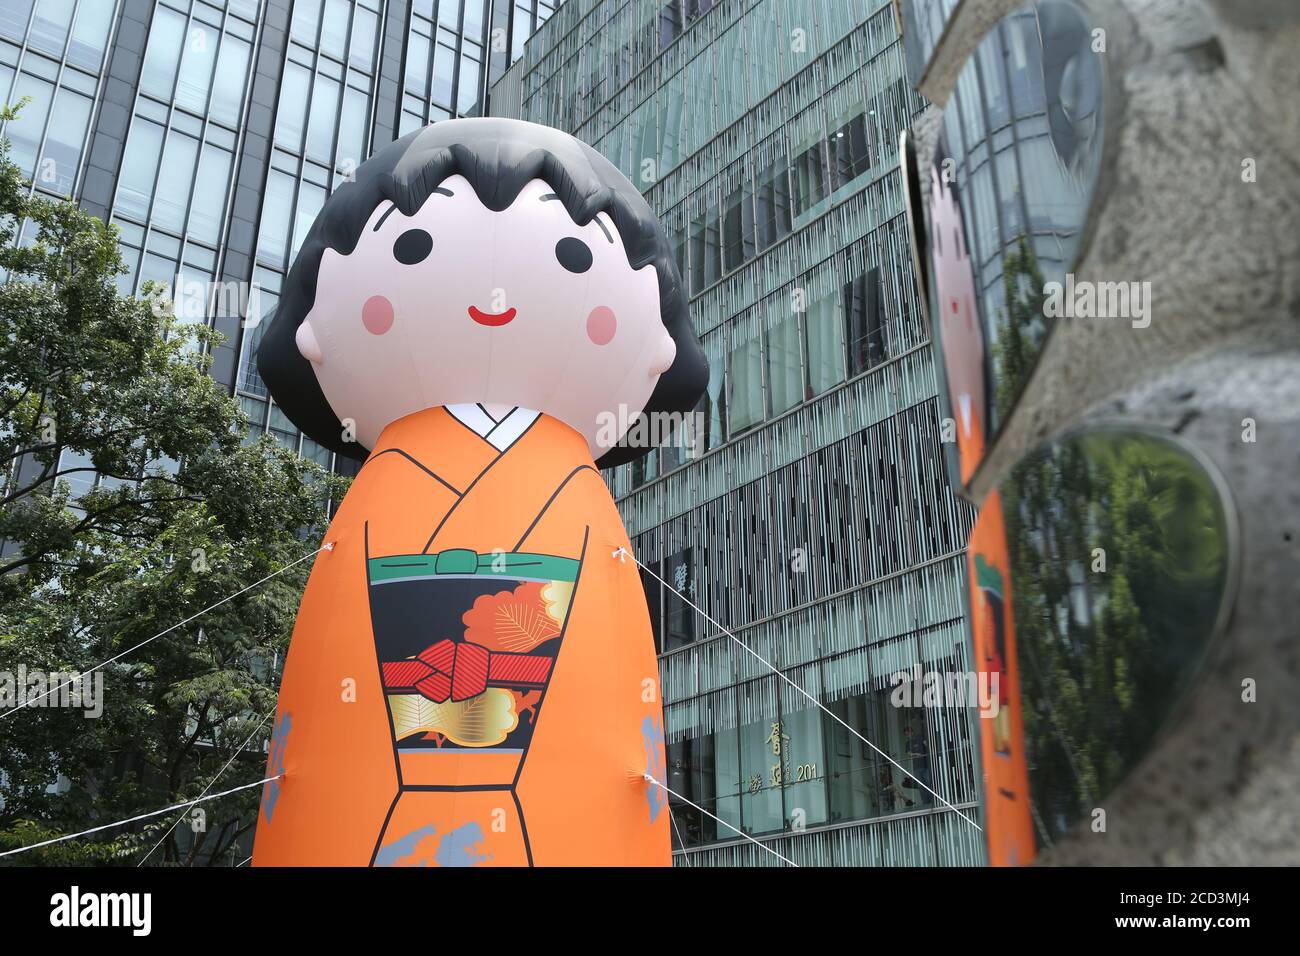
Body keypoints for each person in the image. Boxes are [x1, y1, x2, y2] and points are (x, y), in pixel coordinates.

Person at [250, 117, 707, 866]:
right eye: (411, 247)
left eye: (571, 255)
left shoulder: (570, 484)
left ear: (659, 343)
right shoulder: (394, 475)